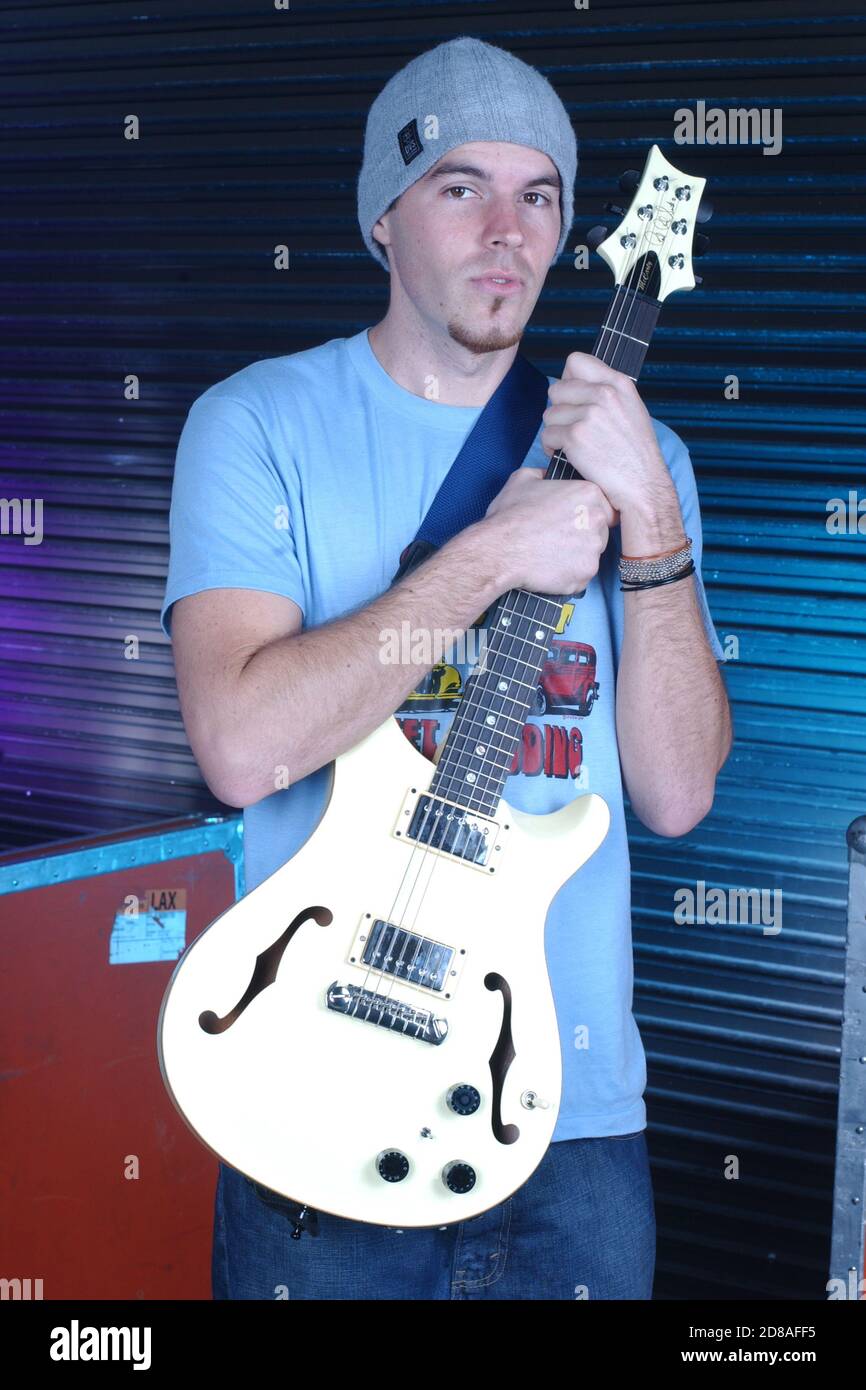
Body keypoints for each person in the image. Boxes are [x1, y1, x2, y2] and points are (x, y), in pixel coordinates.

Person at [161, 35, 732, 1300]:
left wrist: (653, 521)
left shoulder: (646, 459)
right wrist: (486, 559)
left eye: (539, 197)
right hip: (310, 1077)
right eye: (460, 187)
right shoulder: (255, 426)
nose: (506, 232)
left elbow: (677, 794)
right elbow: (245, 747)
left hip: (561, 1102)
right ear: (381, 215)